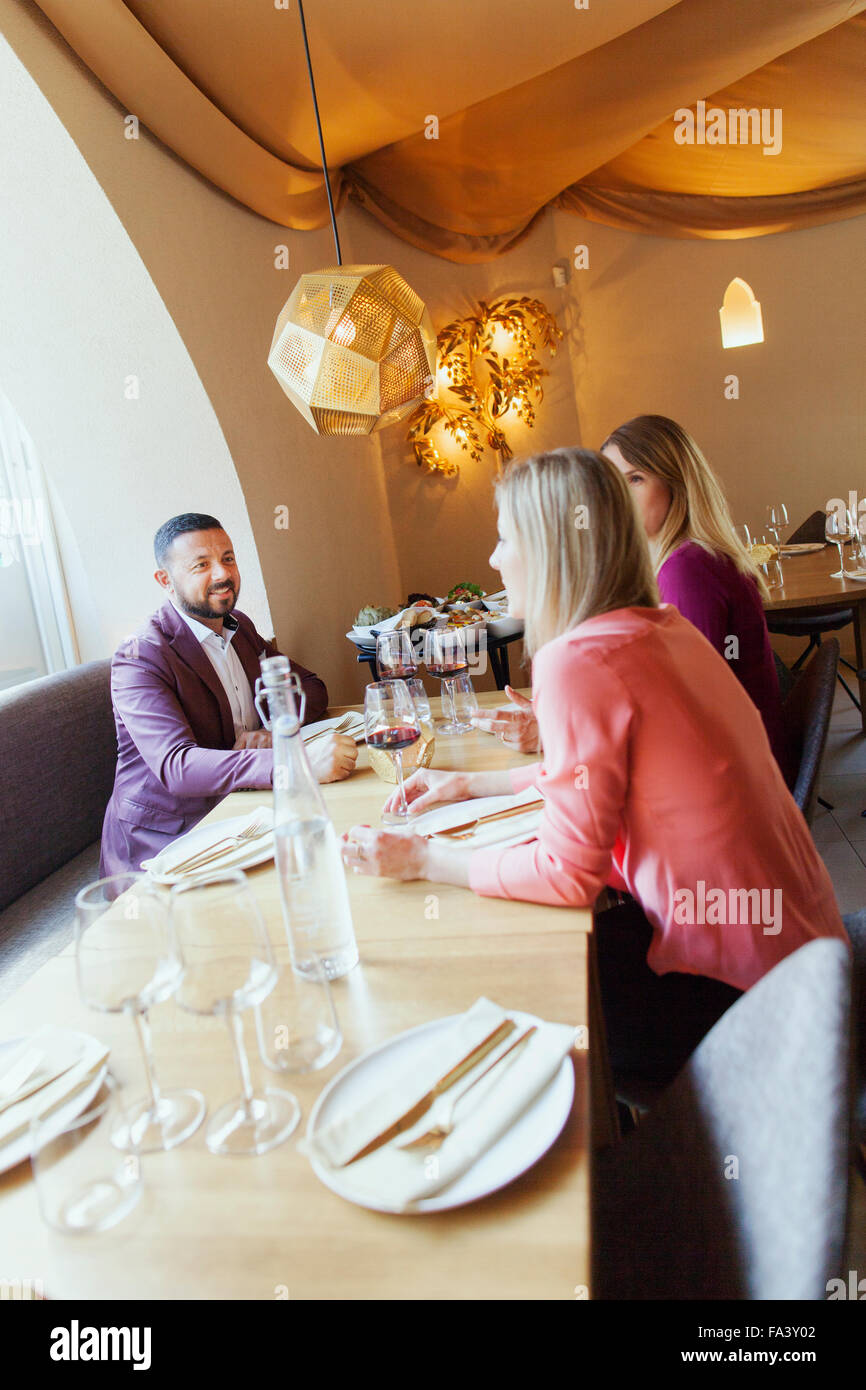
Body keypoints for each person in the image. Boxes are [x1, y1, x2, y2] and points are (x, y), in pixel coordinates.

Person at [341, 450, 846, 1083]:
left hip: (752, 1002)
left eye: (504, 539)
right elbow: (596, 777)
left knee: (525, 997)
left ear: (551, 548)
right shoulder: (660, 626)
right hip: (802, 953)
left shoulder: (575, 662)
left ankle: (632, 1164)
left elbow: (564, 875)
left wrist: (421, 861)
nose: (494, 559)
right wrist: (471, 783)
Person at [478, 415, 786, 773]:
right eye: (611, 485)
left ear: (679, 485)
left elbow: (683, 719)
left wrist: (558, 733)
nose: (618, 498)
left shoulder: (688, 569)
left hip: (739, 770)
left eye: (635, 479)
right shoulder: (672, 563)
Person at [100, 513, 357, 875]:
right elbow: (178, 766)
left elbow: (312, 689)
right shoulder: (140, 657)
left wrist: (274, 731)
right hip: (170, 844)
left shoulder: (240, 628)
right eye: (201, 565)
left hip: (245, 814)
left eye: (228, 559)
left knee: (347, 848)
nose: (222, 574)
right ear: (165, 580)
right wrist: (291, 763)